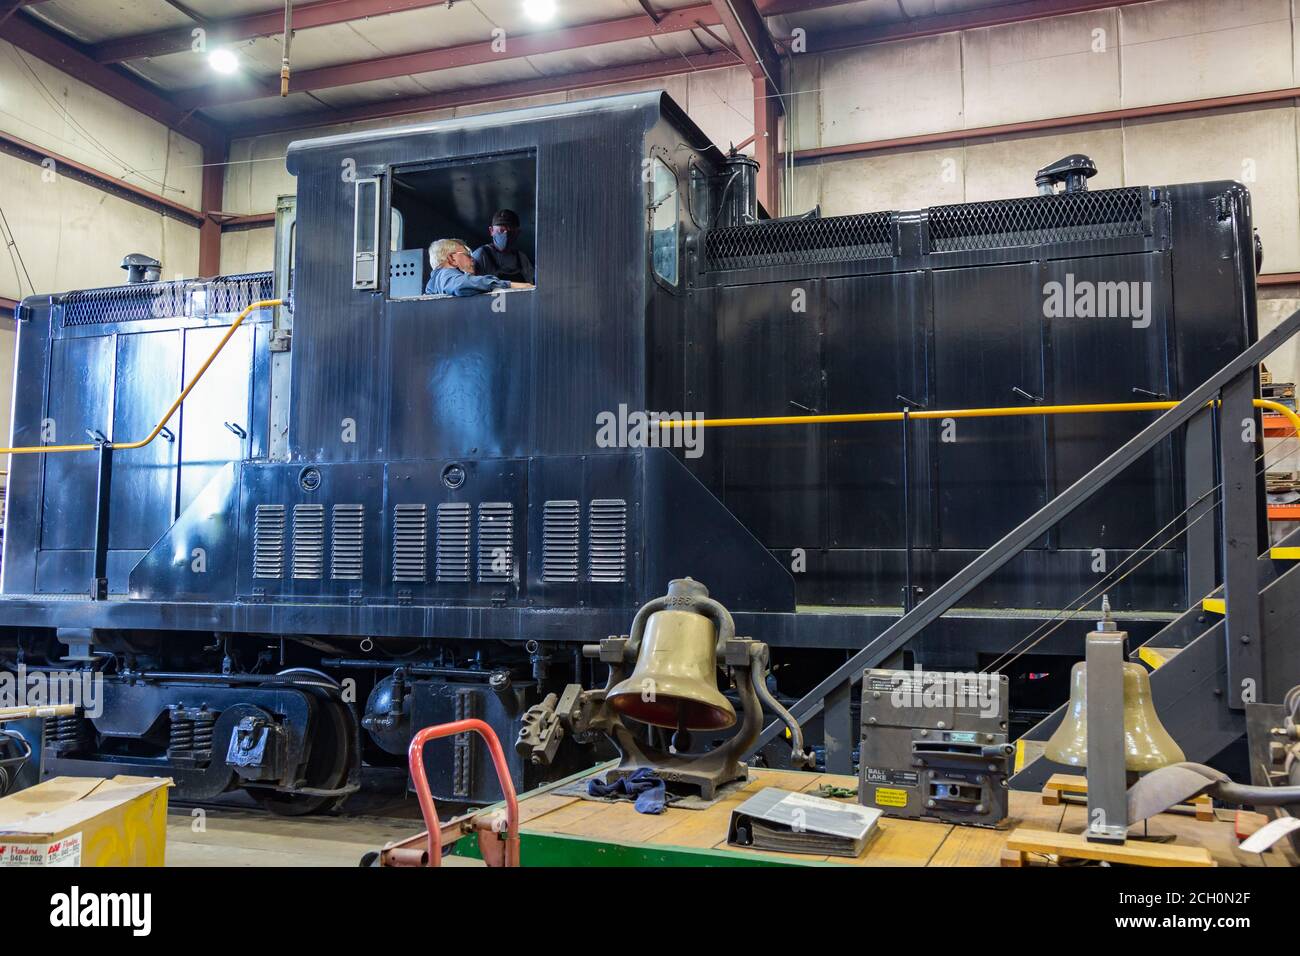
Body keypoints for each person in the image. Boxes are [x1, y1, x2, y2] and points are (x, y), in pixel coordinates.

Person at [425, 238, 533, 296]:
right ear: (452, 259)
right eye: (467, 254)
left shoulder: (435, 282)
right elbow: (460, 285)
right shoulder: (445, 274)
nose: (472, 259)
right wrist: (509, 285)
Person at [471, 209, 535, 283]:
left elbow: (532, 286)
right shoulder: (481, 256)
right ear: (491, 231)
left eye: (510, 231)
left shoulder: (522, 258)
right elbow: (472, 287)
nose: (506, 234)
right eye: (501, 230)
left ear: (518, 233)